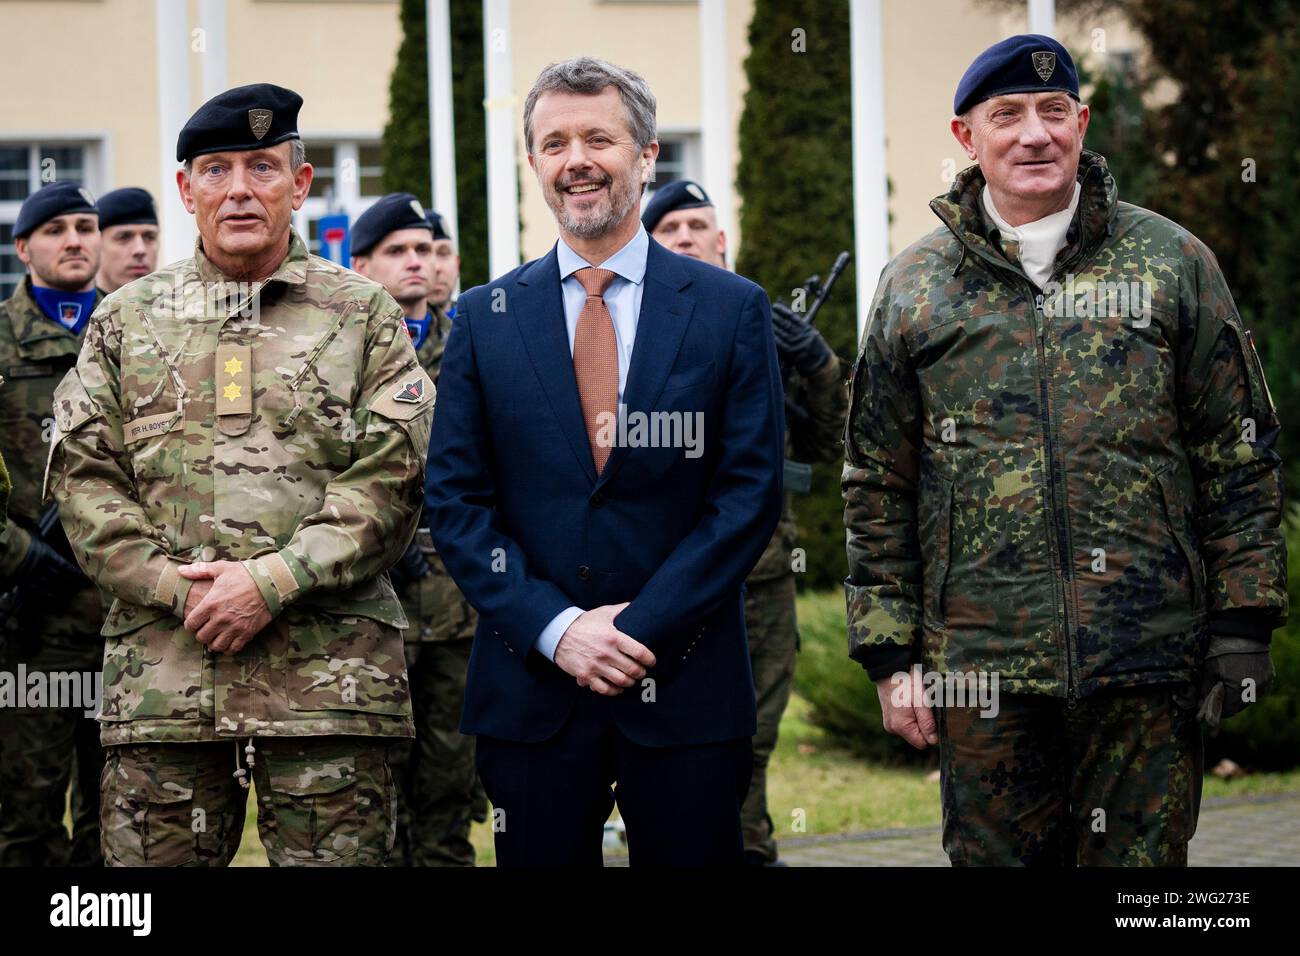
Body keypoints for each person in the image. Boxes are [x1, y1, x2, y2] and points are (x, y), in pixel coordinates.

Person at [843, 35, 1286, 866]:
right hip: (982, 669)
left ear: (1082, 123)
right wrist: (889, 652)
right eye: (1005, 115)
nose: (1034, 134)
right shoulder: (915, 287)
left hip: (1146, 659)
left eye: (1054, 112)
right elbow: (875, 479)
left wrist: (1242, 620)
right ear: (966, 137)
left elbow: (1238, 449)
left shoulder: (1171, 261)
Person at [45, 83, 435, 867]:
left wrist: (275, 580)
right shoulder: (124, 320)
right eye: (216, 170)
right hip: (166, 681)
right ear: (186, 190)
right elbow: (82, 479)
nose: (240, 190)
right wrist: (175, 586)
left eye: (262, 167)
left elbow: (392, 479)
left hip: (329, 683)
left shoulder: (364, 316)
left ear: (301, 182)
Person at [425, 56, 785, 867]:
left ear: (648, 153)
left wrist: (636, 629)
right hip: (531, 691)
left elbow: (747, 494)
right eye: (554, 143)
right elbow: (456, 504)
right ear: (534, 164)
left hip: (686, 686)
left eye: (599, 138)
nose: (576, 159)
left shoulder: (730, 310)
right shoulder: (485, 318)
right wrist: (557, 631)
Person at [643, 179, 847, 866]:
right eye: (669, 230)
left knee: (751, 734)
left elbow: (831, 447)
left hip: (757, 578)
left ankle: (748, 850)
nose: (686, 239)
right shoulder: (636, 322)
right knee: (665, 734)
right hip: (661, 575)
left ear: (721, 238)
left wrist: (817, 365)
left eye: (697, 226)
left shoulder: (755, 318)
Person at [351, 194, 482, 866]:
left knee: (451, 776)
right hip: (372, 602)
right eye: (399, 250)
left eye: (428, 250)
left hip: (460, 597)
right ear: (361, 265)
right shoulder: (338, 354)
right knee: (373, 782)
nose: (417, 262)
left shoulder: (470, 345)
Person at [0, 182, 104, 866]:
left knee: (126, 819)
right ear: (22, 247)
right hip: (31, 620)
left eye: (86, 227)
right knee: (27, 816)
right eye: (57, 228)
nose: (75, 240)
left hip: (129, 619)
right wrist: (20, 561)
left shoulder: (139, 332)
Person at [94, 188, 159, 294]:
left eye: (149, 237)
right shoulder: (79, 309)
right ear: (97, 244)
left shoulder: (179, 307)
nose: (140, 250)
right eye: (123, 237)